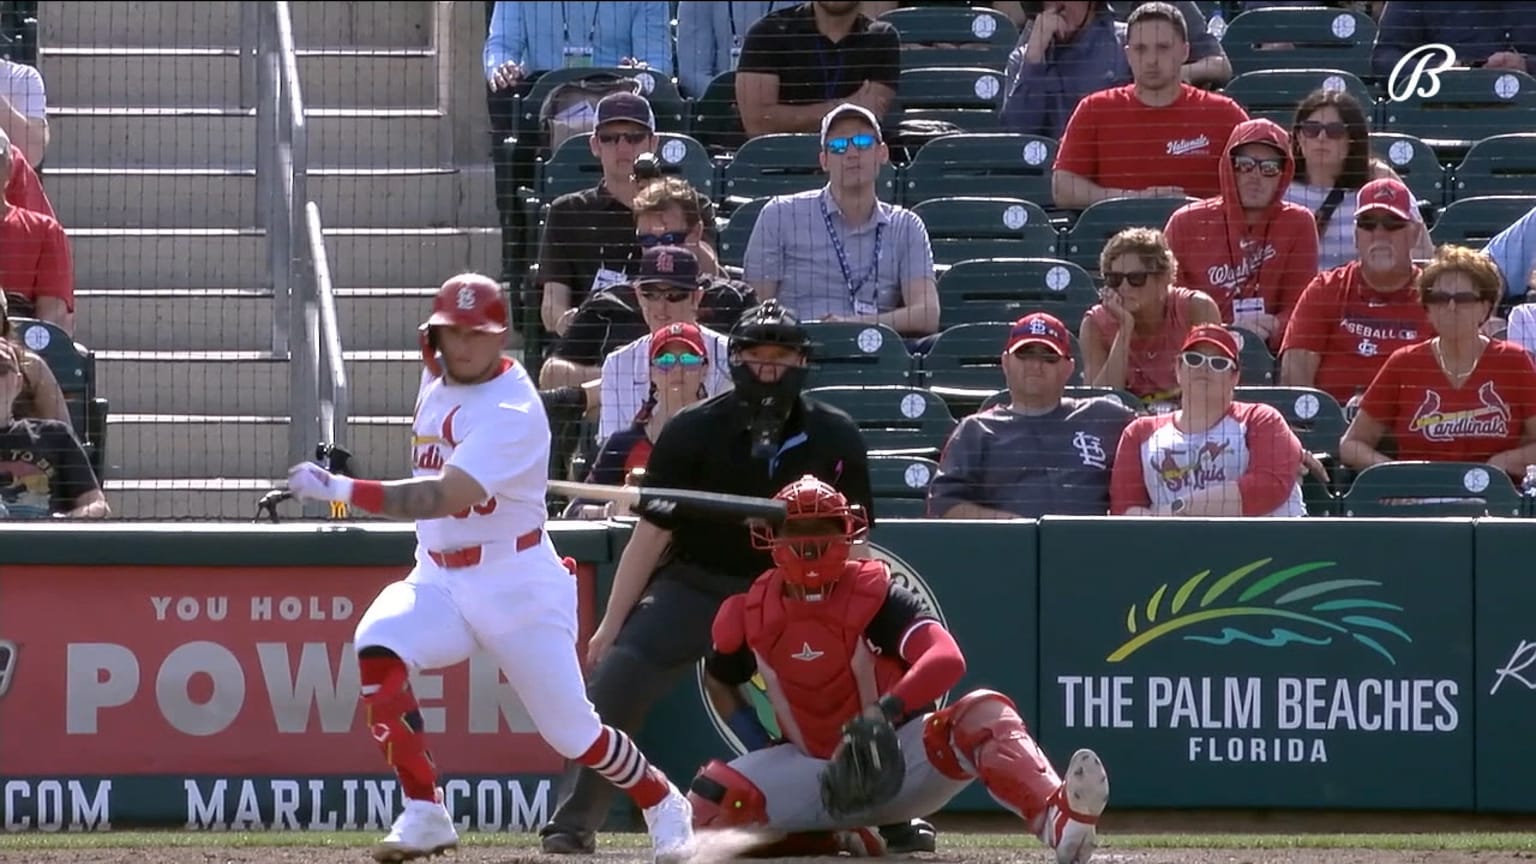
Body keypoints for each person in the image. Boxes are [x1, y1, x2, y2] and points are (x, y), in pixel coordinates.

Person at [281, 274, 694, 864]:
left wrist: (342, 488)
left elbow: (436, 498)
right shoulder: (436, 375)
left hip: (516, 580)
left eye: (479, 334)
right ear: (436, 334)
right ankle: (425, 810)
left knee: (573, 732)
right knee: (377, 647)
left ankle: (661, 800)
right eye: (454, 333)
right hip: (439, 576)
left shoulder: (513, 408)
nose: (465, 346)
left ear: (499, 337)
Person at [540, 300, 933, 856]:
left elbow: (856, 544)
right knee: (620, 673)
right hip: (697, 583)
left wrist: (856, 609)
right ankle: (574, 821)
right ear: (737, 360)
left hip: (802, 590)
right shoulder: (692, 431)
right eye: (755, 355)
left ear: (802, 361)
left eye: (781, 356)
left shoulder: (835, 434)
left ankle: (890, 814)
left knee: (870, 673)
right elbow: (651, 534)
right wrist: (610, 626)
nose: (768, 368)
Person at [688, 475, 1110, 864]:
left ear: (845, 533)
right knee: (706, 808)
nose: (810, 543)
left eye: (824, 529)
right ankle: (835, 836)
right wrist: (763, 748)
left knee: (984, 713)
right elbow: (720, 679)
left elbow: (946, 658)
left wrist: (883, 713)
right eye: (797, 531)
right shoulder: (750, 612)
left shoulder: (877, 596)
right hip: (809, 765)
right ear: (773, 538)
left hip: (894, 760)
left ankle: (1057, 819)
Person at [743, 103, 941, 339]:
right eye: (838, 147)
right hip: (798, 348)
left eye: (863, 143)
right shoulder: (779, 214)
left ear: (883, 153)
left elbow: (927, 314)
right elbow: (756, 313)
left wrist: (855, 324)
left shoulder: (907, 226)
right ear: (824, 160)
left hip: (874, 351)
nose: (851, 153)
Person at [1341, 245, 1536, 477]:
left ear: (1485, 307)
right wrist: (1395, 476)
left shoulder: (1513, 362)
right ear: (1428, 308)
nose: (1451, 307)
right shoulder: (1404, 364)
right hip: (1418, 501)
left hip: (1492, 501)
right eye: (1440, 298)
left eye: (1463, 299)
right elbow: (1351, 445)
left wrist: (1502, 462)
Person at [928, 312, 1136, 518]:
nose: (1035, 366)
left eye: (1049, 357)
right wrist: (1014, 525)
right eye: (1025, 354)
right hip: (1008, 548)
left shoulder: (1104, 417)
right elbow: (944, 504)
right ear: (1006, 362)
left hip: (1090, 546)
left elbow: (1159, 435)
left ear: (1068, 368)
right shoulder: (976, 430)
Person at [1050, 2, 1249, 209]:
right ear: (1127, 55)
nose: (1151, 60)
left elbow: (1266, 175)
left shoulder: (1224, 115)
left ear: (1185, 52)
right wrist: (1135, 199)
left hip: (1200, 239)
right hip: (1118, 237)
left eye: (1163, 48)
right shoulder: (1094, 109)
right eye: (1140, 49)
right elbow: (1063, 188)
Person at [1110, 325, 1307, 516]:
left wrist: (1178, 511)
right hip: (1175, 547)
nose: (1204, 367)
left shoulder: (1261, 419)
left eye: (1218, 363)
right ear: (1178, 368)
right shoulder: (1139, 433)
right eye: (1194, 359)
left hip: (1261, 545)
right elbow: (1125, 510)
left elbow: (1268, 488)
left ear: (1235, 377)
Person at [1163, 118, 1319, 353]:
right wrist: (1213, 333)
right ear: (1228, 166)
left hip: (1271, 354)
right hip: (1197, 353)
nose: (1255, 176)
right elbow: (1169, 309)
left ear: (1283, 175)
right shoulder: (1185, 222)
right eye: (1244, 165)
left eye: (1269, 168)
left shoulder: (1299, 223)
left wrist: (1274, 325)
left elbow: (1301, 307)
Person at [1279, 177, 1431, 407]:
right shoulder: (1325, 289)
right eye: (1367, 223)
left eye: (1393, 223)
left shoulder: (1436, 298)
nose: (1379, 233)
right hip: (1331, 433)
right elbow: (1295, 384)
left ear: (1416, 233)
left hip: (1411, 433)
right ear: (1355, 235)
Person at [565, 322, 716, 519]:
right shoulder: (623, 443)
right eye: (666, 361)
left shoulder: (723, 436)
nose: (677, 369)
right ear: (651, 372)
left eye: (688, 360)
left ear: (704, 369)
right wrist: (613, 509)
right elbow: (574, 511)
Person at [1283, 89, 1431, 273]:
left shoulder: (1378, 179)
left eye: (1334, 131)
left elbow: (1422, 255)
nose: (1321, 138)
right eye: (1311, 129)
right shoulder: (1277, 181)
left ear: (1352, 139)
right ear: (1299, 137)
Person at [1080, 227, 1223, 409]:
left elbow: (1214, 385)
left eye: (1136, 278)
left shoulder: (1196, 309)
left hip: (1190, 420)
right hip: (1124, 425)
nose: (1124, 287)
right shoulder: (1095, 324)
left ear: (1163, 279)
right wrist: (1125, 328)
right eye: (1115, 279)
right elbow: (1097, 406)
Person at [734, 1, 901, 139]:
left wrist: (789, 119)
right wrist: (846, 107)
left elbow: (868, 116)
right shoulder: (768, 33)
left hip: (850, 163)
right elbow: (758, 124)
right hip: (778, 167)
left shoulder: (881, 38)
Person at [0, 340, 108, 519]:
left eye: (1, 370)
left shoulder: (55, 435)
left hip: (42, 541)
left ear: (18, 383)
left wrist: (60, 524)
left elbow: (96, 504)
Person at [1000, 2, 1132, 140]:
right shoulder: (1022, 59)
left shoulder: (1129, 43)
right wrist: (1034, 59)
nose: (1057, 5)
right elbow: (1016, 137)